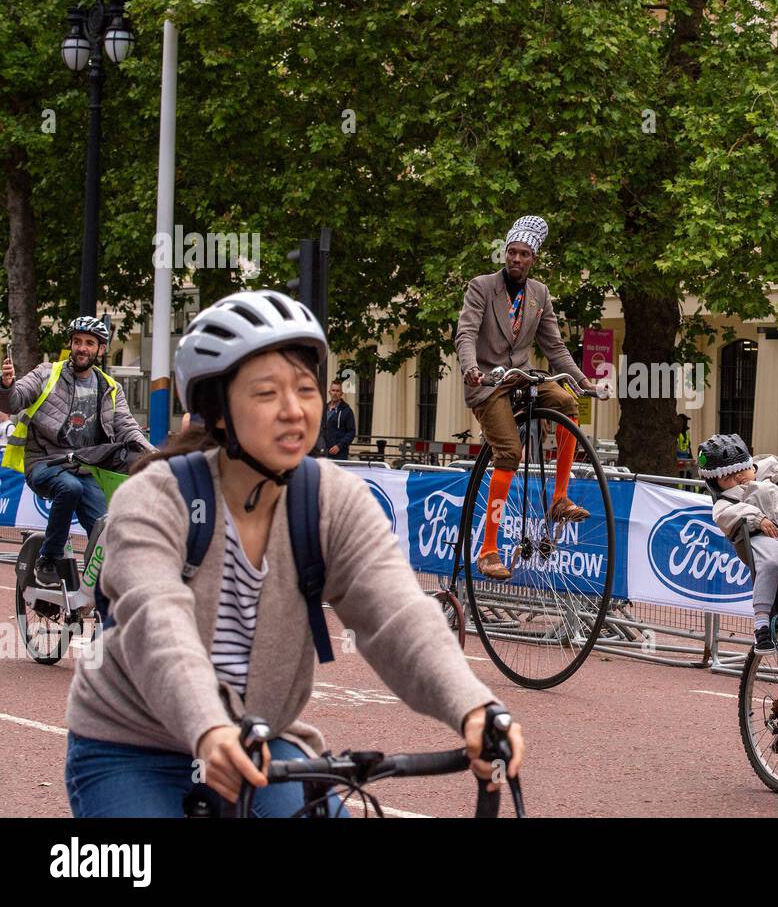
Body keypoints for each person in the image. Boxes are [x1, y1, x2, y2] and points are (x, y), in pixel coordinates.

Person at [63, 290, 522, 817]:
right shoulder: (154, 496)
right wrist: (209, 726)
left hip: (262, 737)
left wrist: (475, 707)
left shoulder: (332, 498)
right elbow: (155, 623)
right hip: (131, 746)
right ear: (216, 410)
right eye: (266, 393)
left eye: (305, 389)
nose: (294, 410)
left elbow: (397, 616)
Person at [455, 215, 602, 581]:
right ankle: (489, 551)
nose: (516, 259)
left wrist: (583, 382)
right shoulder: (481, 287)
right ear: (505, 254)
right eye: (512, 252)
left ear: (533, 258)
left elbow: (555, 348)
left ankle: (559, 498)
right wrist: (471, 367)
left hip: (522, 376)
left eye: (523, 254)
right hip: (488, 382)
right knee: (508, 452)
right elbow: (466, 333)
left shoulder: (540, 294)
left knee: (567, 402)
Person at [0, 318, 152, 589]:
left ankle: (92, 593)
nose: (82, 348)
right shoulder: (47, 373)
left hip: (85, 468)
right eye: (77, 341)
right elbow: (14, 400)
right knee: (69, 489)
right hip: (45, 463)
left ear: (101, 349)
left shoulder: (110, 388)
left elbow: (128, 428)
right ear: (71, 344)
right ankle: (47, 559)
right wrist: (7, 385)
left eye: (89, 343)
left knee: (105, 528)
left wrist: (155, 454)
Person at [700, 434, 778, 655]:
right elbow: (729, 514)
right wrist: (759, 518)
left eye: (741, 471)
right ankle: (761, 625)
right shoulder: (724, 503)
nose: (738, 477)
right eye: (728, 476)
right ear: (715, 482)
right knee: (771, 560)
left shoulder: (767, 479)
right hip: (759, 540)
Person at [323, 378, 356, 460]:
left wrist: (339, 446)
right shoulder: (323, 409)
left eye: (338, 391)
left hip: (339, 454)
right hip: (323, 453)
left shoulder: (347, 411)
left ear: (341, 393)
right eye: (333, 390)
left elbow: (351, 432)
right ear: (329, 392)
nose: (335, 393)